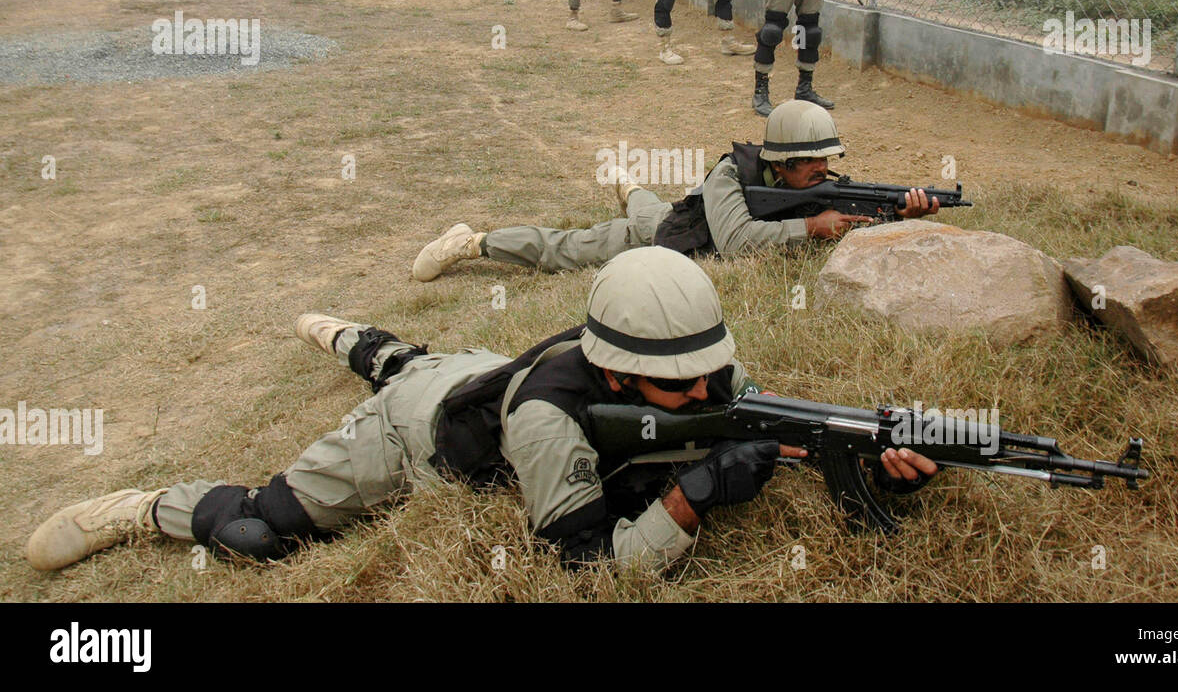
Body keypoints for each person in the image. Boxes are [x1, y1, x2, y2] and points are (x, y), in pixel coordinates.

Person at [24, 248, 938, 573]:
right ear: (617, 373)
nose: (708, 396)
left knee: (415, 361)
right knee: (267, 533)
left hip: (473, 369)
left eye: (712, 375)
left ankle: (354, 337)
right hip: (416, 431)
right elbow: (584, 565)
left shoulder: (689, 370)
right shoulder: (550, 420)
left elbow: (752, 420)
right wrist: (692, 498)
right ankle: (145, 507)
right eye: (681, 387)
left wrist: (874, 459)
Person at [411, 99, 939, 280]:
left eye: (827, 160)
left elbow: (853, 218)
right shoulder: (731, 174)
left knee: (647, 203)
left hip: (681, 213)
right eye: (811, 164)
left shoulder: (815, 182)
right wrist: (810, 227)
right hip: (675, 235)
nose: (822, 171)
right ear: (780, 162)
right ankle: (473, 241)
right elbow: (733, 244)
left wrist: (902, 214)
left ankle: (628, 185)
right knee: (571, 249)